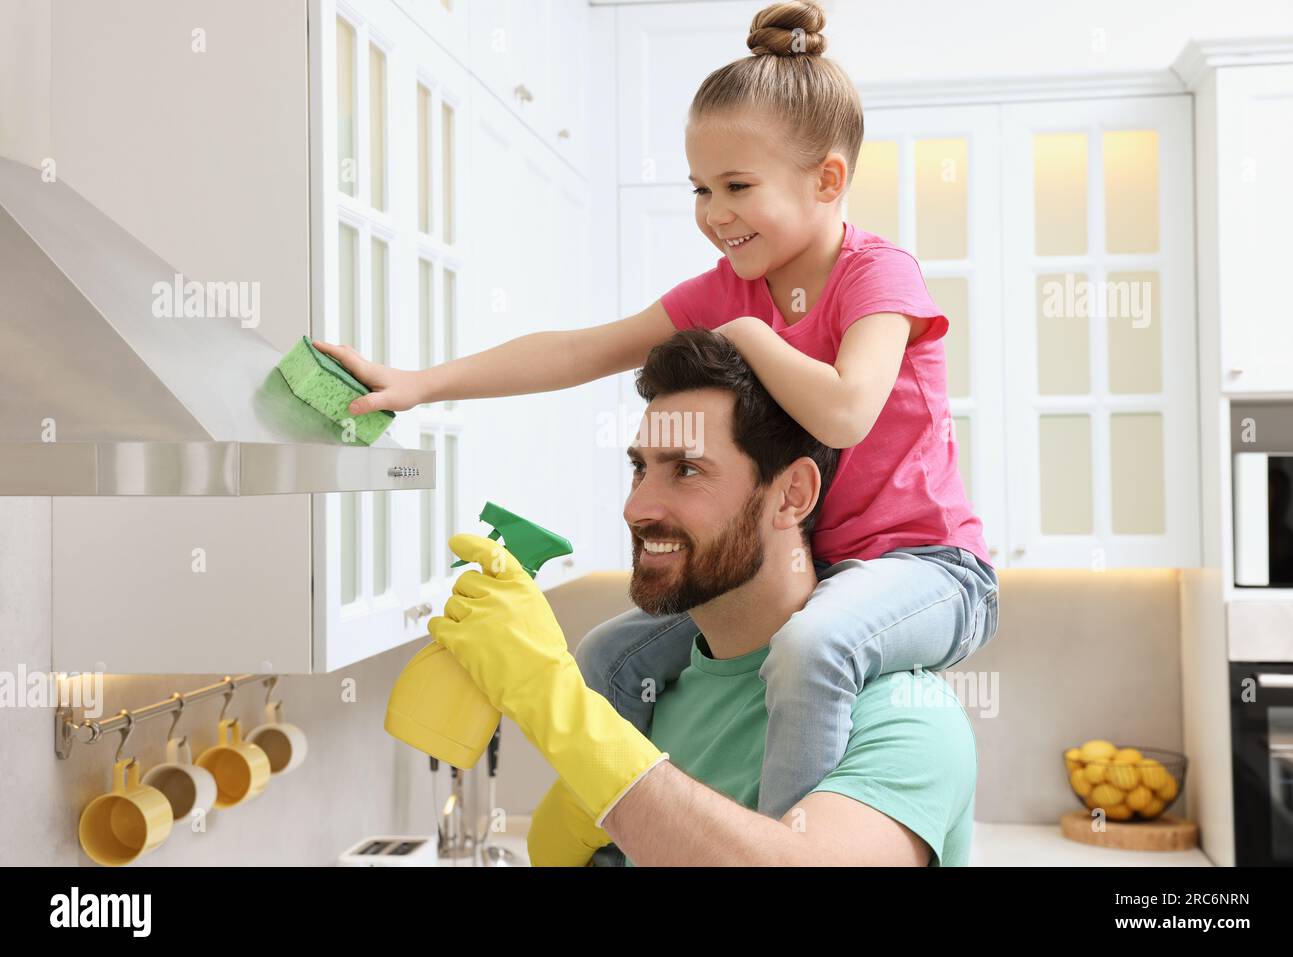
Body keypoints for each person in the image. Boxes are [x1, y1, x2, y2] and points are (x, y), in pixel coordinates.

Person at [316, 0, 998, 833]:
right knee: (606, 656)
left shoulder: (875, 275)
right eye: (701, 189)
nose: (713, 213)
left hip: (928, 569)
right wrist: (422, 383)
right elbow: (578, 349)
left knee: (814, 649)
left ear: (827, 179)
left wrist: (748, 333)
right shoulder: (731, 282)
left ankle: (772, 842)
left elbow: (851, 411)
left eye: (737, 187)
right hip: (828, 567)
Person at [433, 328, 993, 865]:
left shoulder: (904, 723)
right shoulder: (642, 692)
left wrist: (544, 689)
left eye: (686, 469)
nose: (638, 507)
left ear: (791, 494)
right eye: (640, 469)